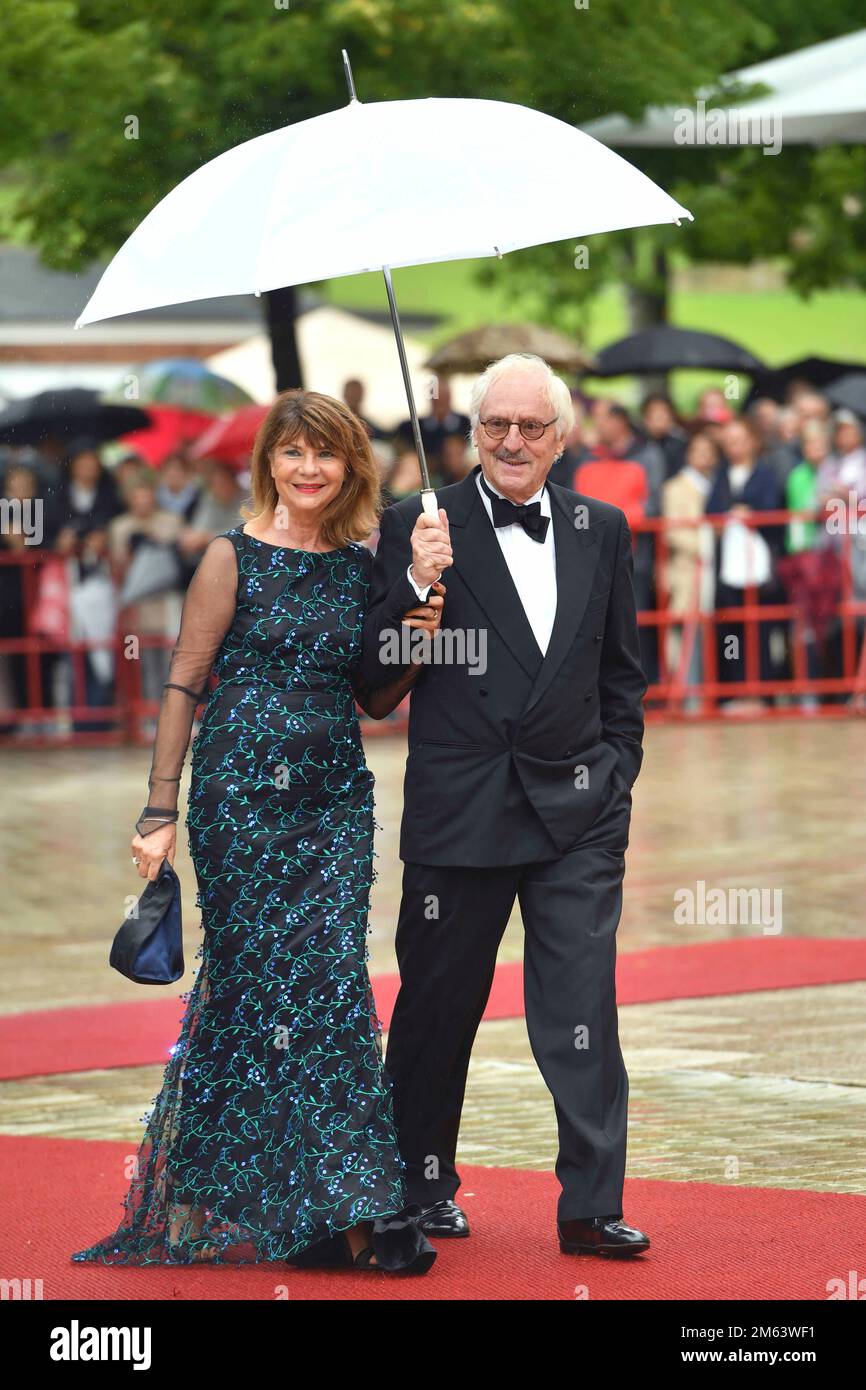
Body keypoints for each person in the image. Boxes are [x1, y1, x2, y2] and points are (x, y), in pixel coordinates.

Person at [71, 389, 445, 1275]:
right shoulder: (226, 558)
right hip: (240, 800)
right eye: (293, 453)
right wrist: (159, 810)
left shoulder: (360, 569)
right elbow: (183, 683)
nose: (309, 469)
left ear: (350, 465)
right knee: (253, 986)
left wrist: (421, 616)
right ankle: (299, 1205)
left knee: (328, 986)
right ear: (268, 464)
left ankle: (336, 1202)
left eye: (326, 454)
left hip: (333, 805)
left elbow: (375, 696)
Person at [361, 352, 650, 1257]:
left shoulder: (602, 528)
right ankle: (420, 1184)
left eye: (532, 426)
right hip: (462, 812)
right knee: (438, 1009)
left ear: (562, 437)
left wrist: (614, 781)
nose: (513, 441)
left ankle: (590, 1205)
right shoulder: (418, 522)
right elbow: (373, 688)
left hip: (576, 812)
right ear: (472, 429)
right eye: (496, 424)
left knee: (580, 1007)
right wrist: (415, 589)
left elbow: (621, 677)